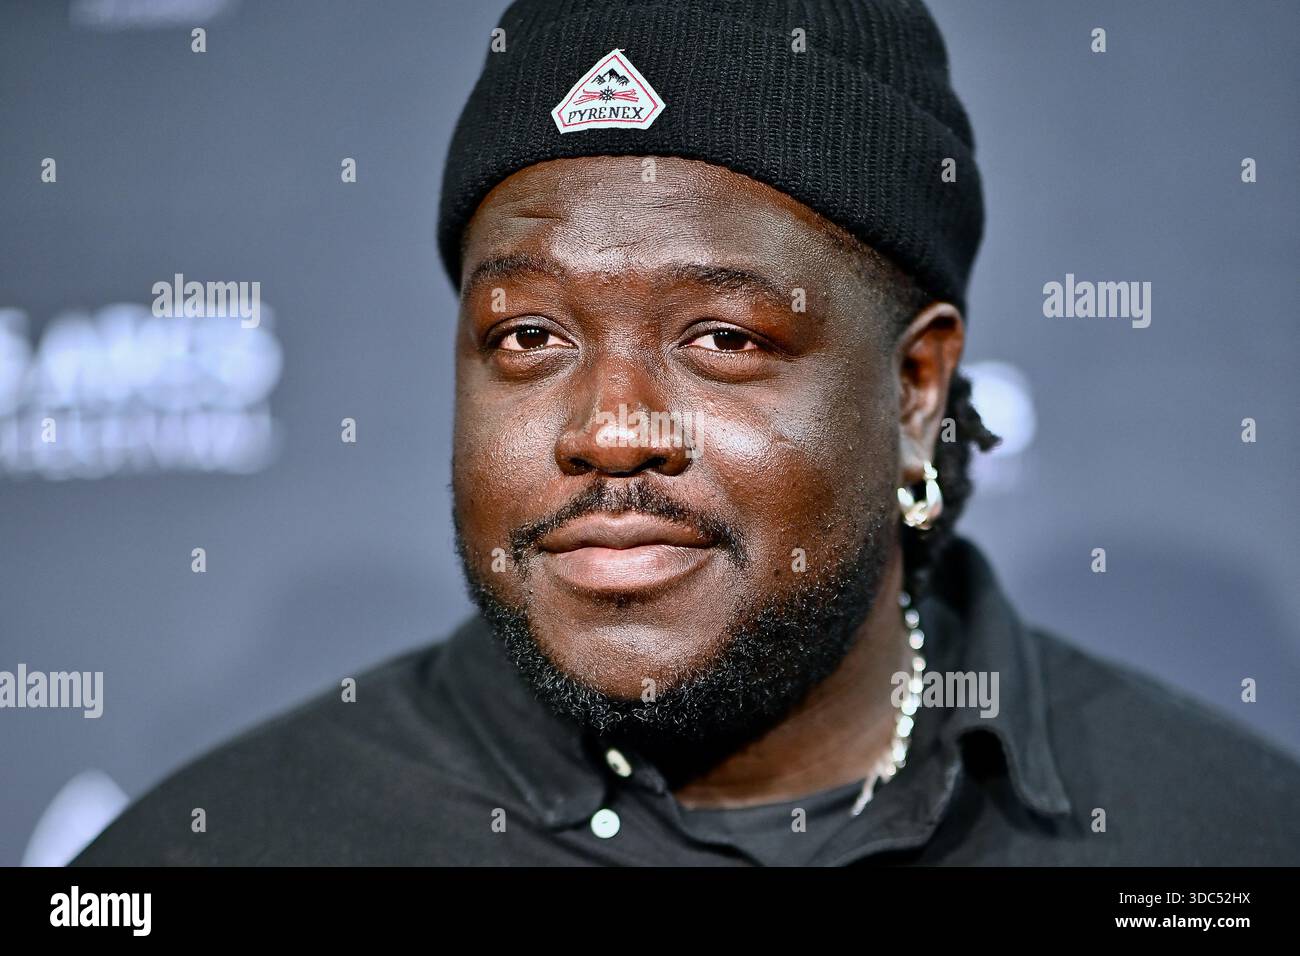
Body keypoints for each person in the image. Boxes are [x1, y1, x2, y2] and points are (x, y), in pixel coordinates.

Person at [74, 0, 1299, 866]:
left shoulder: (1218, 836)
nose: (610, 430)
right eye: (528, 337)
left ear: (915, 390)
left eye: (723, 337)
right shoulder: (223, 850)